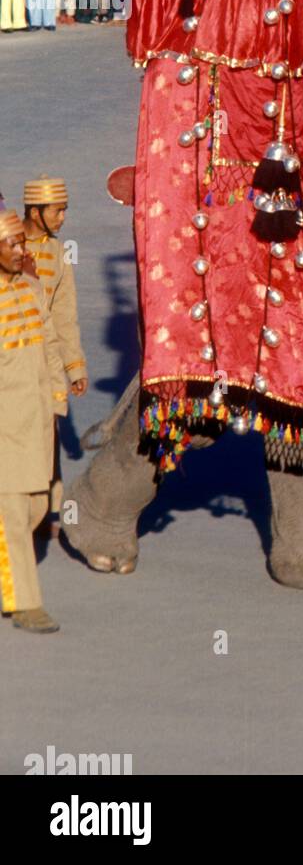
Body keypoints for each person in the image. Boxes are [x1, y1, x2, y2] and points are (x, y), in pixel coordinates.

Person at [0, 208, 69, 632]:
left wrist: (57, 399)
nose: (18, 250)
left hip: (38, 419)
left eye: (19, 242)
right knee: (10, 513)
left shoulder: (29, 287)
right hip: (5, 425)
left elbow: (50, 345)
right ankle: (25, 603)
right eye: (9, 244)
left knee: (37, 506)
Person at [21, 178, 87, 533]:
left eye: (64, 210)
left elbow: (65, 314)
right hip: (11, 356)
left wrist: (74, 366)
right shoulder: (7, 245)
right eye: (57, 211)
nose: (62, 218)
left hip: (45, 362)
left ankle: (45, 508)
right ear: (35, 211)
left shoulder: (60, 254)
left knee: (48, 434)